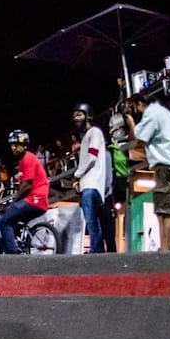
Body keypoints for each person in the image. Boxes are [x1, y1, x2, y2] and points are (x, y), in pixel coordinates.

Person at [124, 93, 170, 252]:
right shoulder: (162, 113)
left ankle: (167, 251)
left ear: (140, 104)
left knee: (165, 212)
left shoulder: (152, 113)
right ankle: (165, 249)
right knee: (164, 211)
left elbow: (137, 137)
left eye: (132, 107)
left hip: (165, 166)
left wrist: (131, 122)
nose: (132, 111)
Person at [70, 103, 114, 254]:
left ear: (88, 115)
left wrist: (76, 175)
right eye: (74, 115)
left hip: (92, 186)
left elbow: (92, 157)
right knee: (94, 223)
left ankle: (97, 253)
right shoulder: (87, 136)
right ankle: (99, 253)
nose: (76, 118)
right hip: (89, 185)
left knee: (92, 223)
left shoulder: (94, 132)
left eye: (79, 114)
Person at [0, 130, 48, 254]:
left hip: (35, 199)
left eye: (16, 145)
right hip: (36, 200)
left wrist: (14, 201)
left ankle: (12, 254)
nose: (13, 147)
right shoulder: (22, 161)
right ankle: (19, 244)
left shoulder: (28, 158)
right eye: (12, 145)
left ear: (24, 145)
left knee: (4, 220)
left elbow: (27, 185)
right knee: (13, 218)